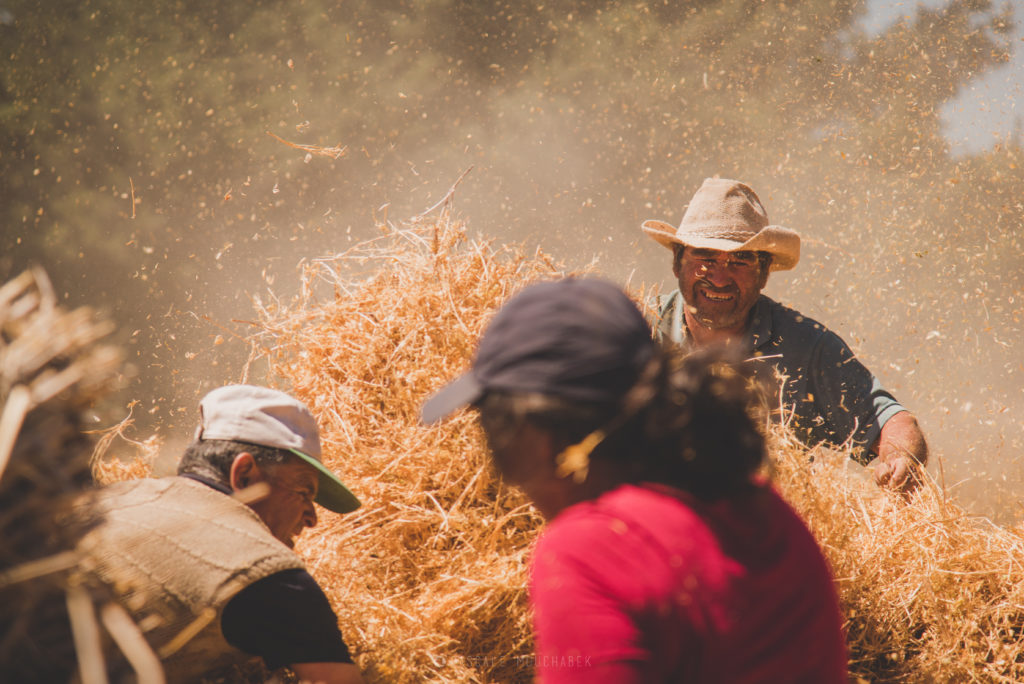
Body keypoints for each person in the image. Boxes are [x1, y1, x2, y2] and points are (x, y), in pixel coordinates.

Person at [421, 278, 848, 683]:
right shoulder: (769, 513)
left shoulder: (592, 552)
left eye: (500, 442)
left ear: (547, 435)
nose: (511, 482)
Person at [641, 177, 928, 492]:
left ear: (764, 273)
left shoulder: (805, 348)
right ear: (677, 263)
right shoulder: (642, 327)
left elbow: (894, 423)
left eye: (740, 261)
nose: (720, 278)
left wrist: (901, 459)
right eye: (705, 257)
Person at [76, 384, 365, 683]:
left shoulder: (108, 500)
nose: (311, 518)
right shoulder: (269, 575)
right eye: (304, 491)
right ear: (244, 475)